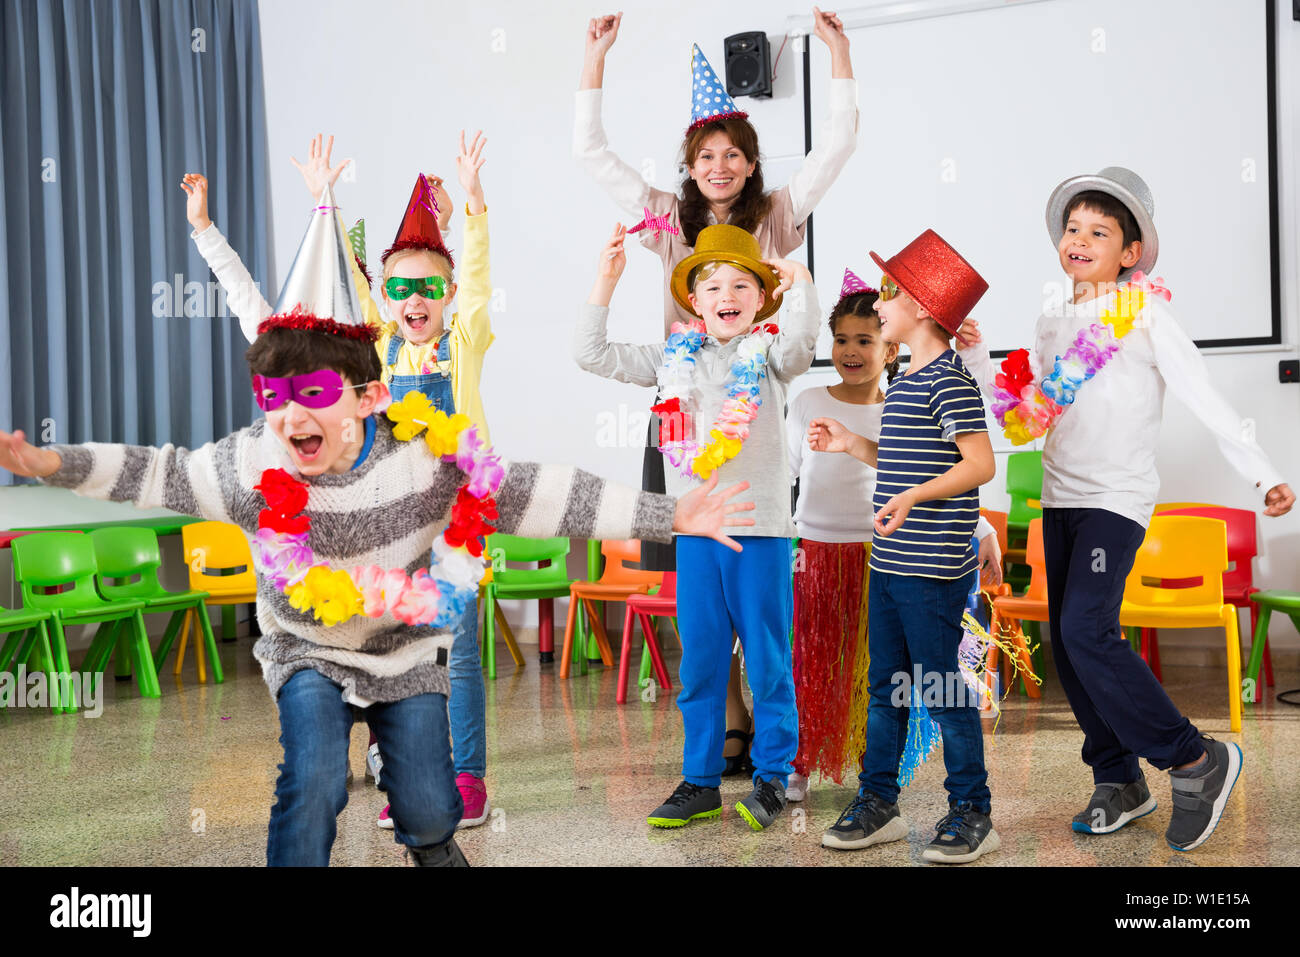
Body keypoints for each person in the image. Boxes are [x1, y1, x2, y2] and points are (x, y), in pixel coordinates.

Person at [0, 188, 754, 866]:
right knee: (316, 780)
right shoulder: (255, 463)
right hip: (306, 646)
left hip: (406, 651)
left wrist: (672, 513)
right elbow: (155, 472)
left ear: (368, 397)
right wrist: (52, 462)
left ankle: (436, 847)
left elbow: (540, 492)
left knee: (428, 807)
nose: (292, 413)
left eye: (316, 391)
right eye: (275, 393)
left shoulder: (424, 459)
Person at [955, 166, 1295, 851]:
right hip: (1060, 498)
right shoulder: (1053, 321)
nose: (1079, 239)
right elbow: (1027, 420)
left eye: (1099, 231)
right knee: (1071, 650)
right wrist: (981, 361)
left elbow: (1203, 397)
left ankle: (1196, 758)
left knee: (1086, 630)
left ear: (1130, 252)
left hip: (1116, 499)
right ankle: (1118, 778)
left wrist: (1263, 477)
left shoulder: (1146, 315)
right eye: (1073, 228)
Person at [183, 132, 497, 830]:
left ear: (446, 296)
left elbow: (473, 278)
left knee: (458, 655)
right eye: (401, 288)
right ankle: (408, 770)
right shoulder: (375, 351)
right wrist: (312, 201)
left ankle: (467, 776)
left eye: (430, 288)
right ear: (385, 298)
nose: (416, 299)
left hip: (449, 525)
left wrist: (473, 205)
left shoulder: (463, 339)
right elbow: (279, 308)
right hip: (388, 521)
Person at [575, 7, 859, 765]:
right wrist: (595, 62)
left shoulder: (775, 217)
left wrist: (838, 55)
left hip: (753, 420)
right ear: (691, 165)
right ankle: (725, 731)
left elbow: (836, 150)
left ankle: (762, 743)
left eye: (734, 154)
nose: (720, 166)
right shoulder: (667, 219)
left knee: (752, 582)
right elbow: (592, 154)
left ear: (752, 164)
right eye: (707, 155)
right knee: (699, 590)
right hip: (679, 403)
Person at [575, 221, 818, 831]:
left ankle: (770, 777)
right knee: (703, 660)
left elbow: (802, 344)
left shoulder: (768, 359)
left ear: (762, 299)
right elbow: (591, 354)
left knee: (766, 658)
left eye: (742, 284)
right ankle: (700, 780)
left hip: (761, 529)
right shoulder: (672, 359)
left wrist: (805, 284)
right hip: (697, 535)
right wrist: (605, 282)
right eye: (713, 287)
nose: (727, 295)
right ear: (694, 300)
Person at [809, 229, 1000, 863]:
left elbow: (979, 465)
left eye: (889, 294)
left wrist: (916, 499)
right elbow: (899, 459)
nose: (878, 305)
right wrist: (849, 443)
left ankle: (972, 810)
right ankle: (879, 801)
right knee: (885, 687)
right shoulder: (907, 378)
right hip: (888, 564)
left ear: (921, 307)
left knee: (943, 688)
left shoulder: (950, 380)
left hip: (933, 568)